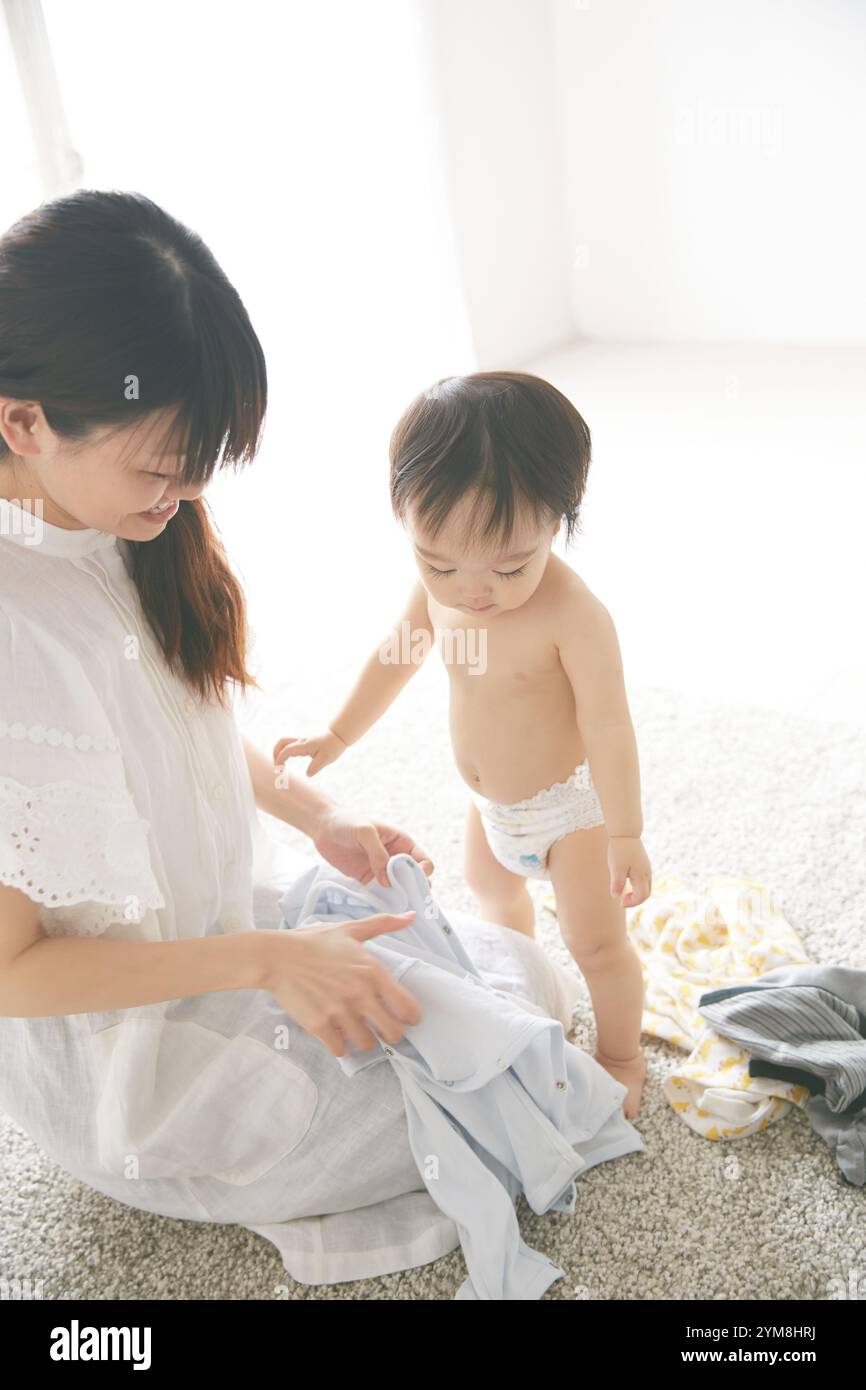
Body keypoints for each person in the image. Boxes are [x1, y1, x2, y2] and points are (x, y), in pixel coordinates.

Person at [0, 190, 581, 1285]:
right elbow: (13, 971)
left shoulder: (111, 516)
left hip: (224, 927)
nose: (183, 494)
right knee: (495, 1087)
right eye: (160, 465)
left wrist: (320, 812)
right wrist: (272, 961)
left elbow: (172, 736)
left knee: (511, 994)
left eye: (199, 462)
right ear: (24, 420)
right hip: (126, 1054)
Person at [273, 372, 652, 1117]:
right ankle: (528, 993)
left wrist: (627, 832)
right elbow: (399, 651)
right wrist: (338, 733)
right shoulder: (442, 592)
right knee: (494, 899)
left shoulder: (573, 615)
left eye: (509, 567)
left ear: (558, 521)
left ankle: (620, 1052)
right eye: (437, 562)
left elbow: (610, 725)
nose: (473, 591)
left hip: (570, 814)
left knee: (598, 944)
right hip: (490, 805)